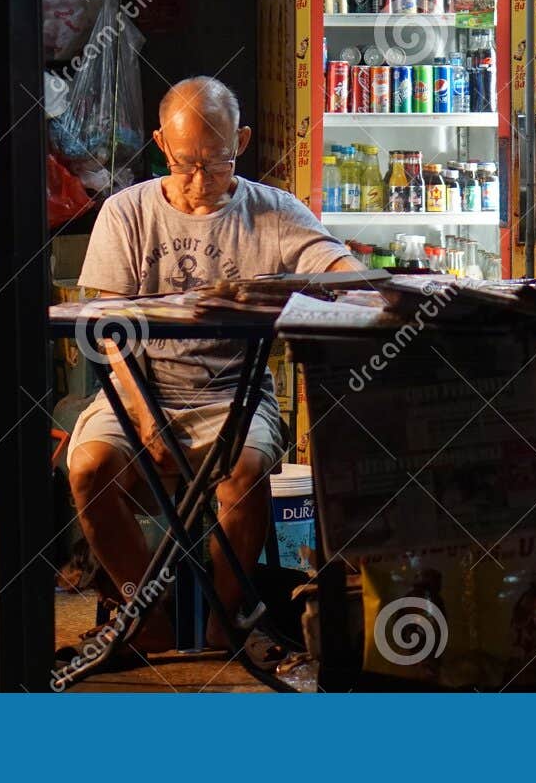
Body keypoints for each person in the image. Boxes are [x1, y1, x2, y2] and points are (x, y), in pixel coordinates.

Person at [68, 76, 360, 653]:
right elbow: (109, 331)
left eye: (217, 163)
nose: (199, 181)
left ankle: (221, 627)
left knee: (248, 471)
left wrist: (357, 285)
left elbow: (336, 263)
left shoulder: (273, 211)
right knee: (88, 470)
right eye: (184, 164)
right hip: (140, 387)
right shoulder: (127, 213)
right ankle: (145, 618)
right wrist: (143, 413)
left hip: (235, 391)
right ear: (160, 145)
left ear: (242, 142)